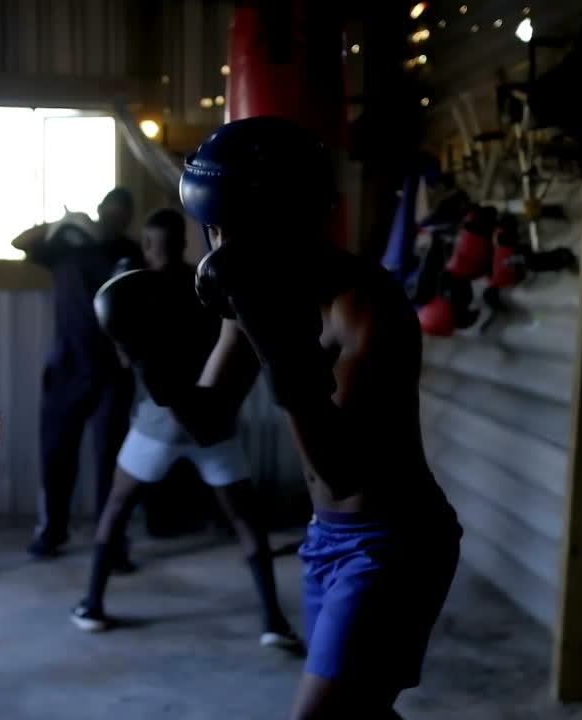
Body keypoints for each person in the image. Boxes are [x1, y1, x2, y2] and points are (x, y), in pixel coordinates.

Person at [104, 116, 463, 719]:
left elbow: (343, 469)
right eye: (211, 229)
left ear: (284, 220)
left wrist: (279, 343)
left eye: (230, 228)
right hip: (328, 539)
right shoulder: (254, 292)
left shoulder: (366, 308)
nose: (217, 248)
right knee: (361, 710)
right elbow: (211, 420)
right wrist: (151, 364)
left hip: (396, 545)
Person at [75, 209, 300, 650]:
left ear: (158, 245)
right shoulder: (209, 284)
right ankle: (273, 621)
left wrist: (125, 339)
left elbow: (127, 363)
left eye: (152, 245)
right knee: (245, 519)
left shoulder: (136, 289)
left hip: (159, 425)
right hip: (215, 419)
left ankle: (91, 605)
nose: (153, 252)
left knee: (117, 506)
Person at [13, 188, 142, 561]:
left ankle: (111, 542)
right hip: (67, 367)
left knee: (111, 460)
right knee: (56, 454)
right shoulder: (66, 245)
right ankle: (52, 533)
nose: (114, 220)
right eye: (110, 213)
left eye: (122, 216)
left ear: (127, 220)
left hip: (112, 373)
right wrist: (63, 222)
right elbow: (19, 241)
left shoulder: (129, 253)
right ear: (100, 211)